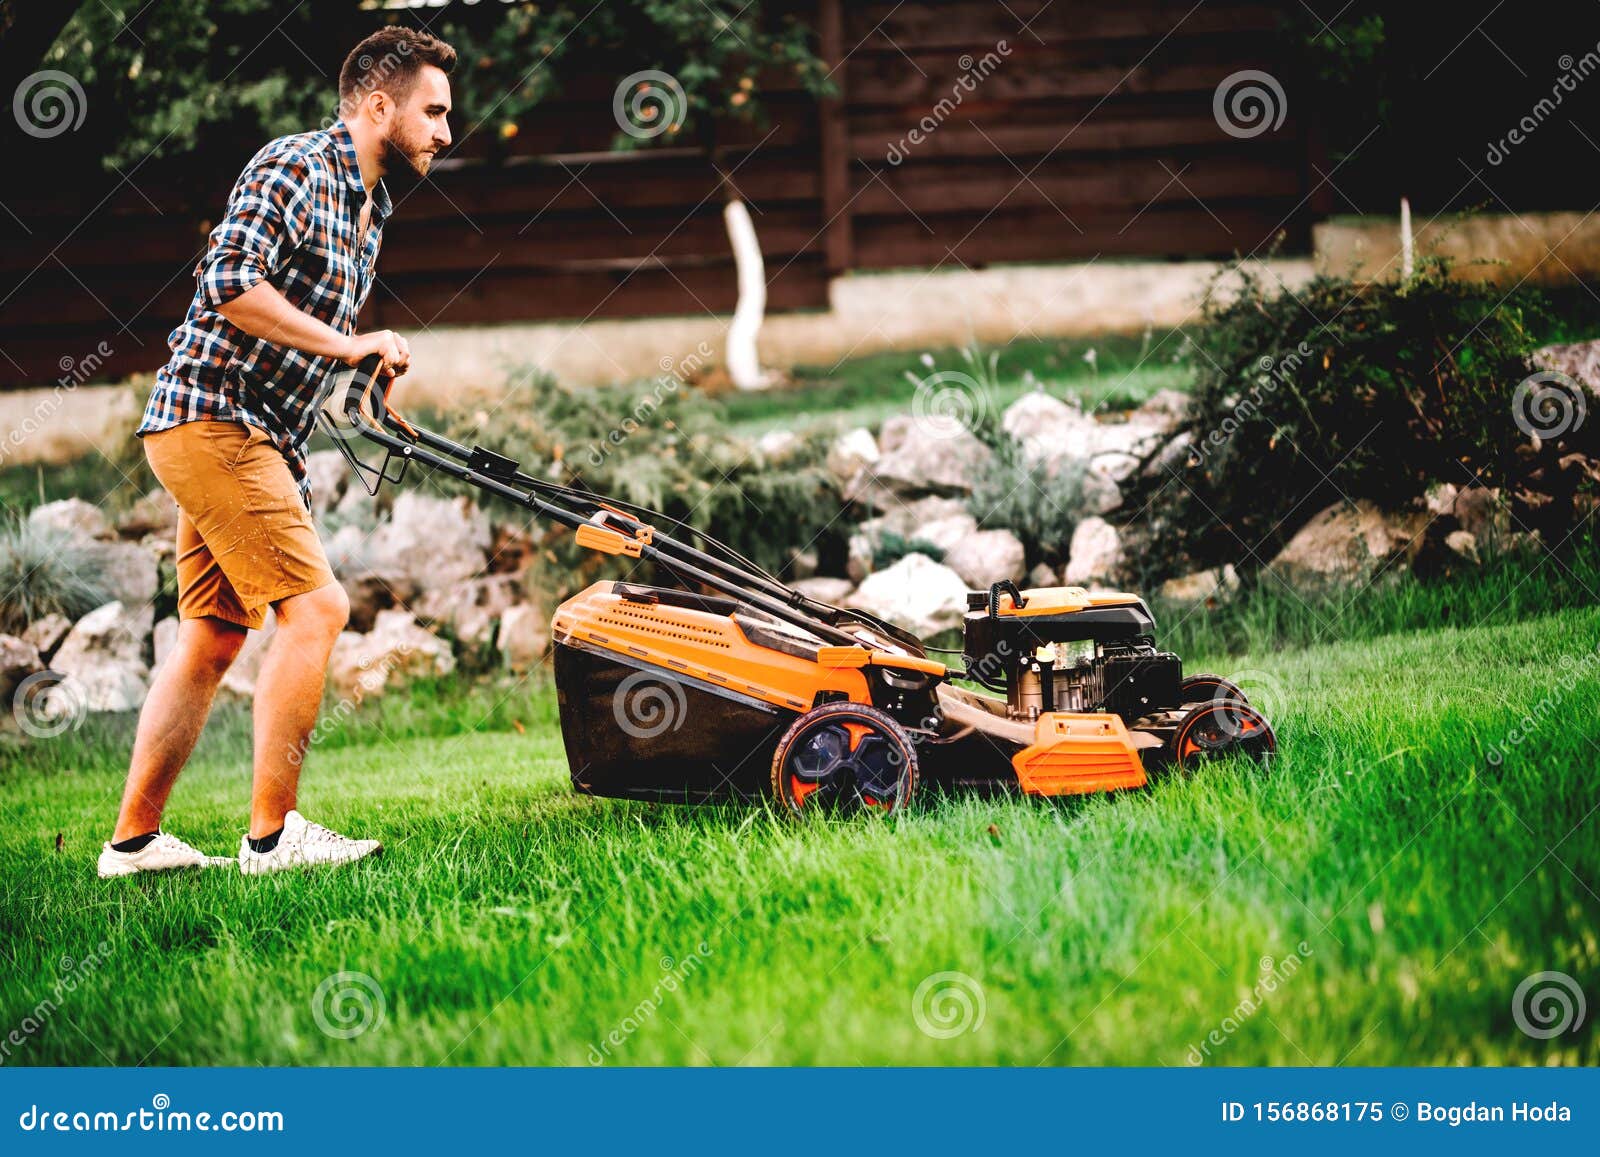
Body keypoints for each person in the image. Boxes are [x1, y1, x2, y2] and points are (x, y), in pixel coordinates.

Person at [98, 26, 456, 878]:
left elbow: (304, 336)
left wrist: (365, 369)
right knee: (318, 609)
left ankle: (134, 842)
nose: (446, 131)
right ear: (378, 104)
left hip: (254, 433)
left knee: (216, 633)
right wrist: (349, 341)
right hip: (211, 419)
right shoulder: (294, 166)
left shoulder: (374, 206)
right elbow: (228, 287)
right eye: (433, 112)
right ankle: (273, 835)